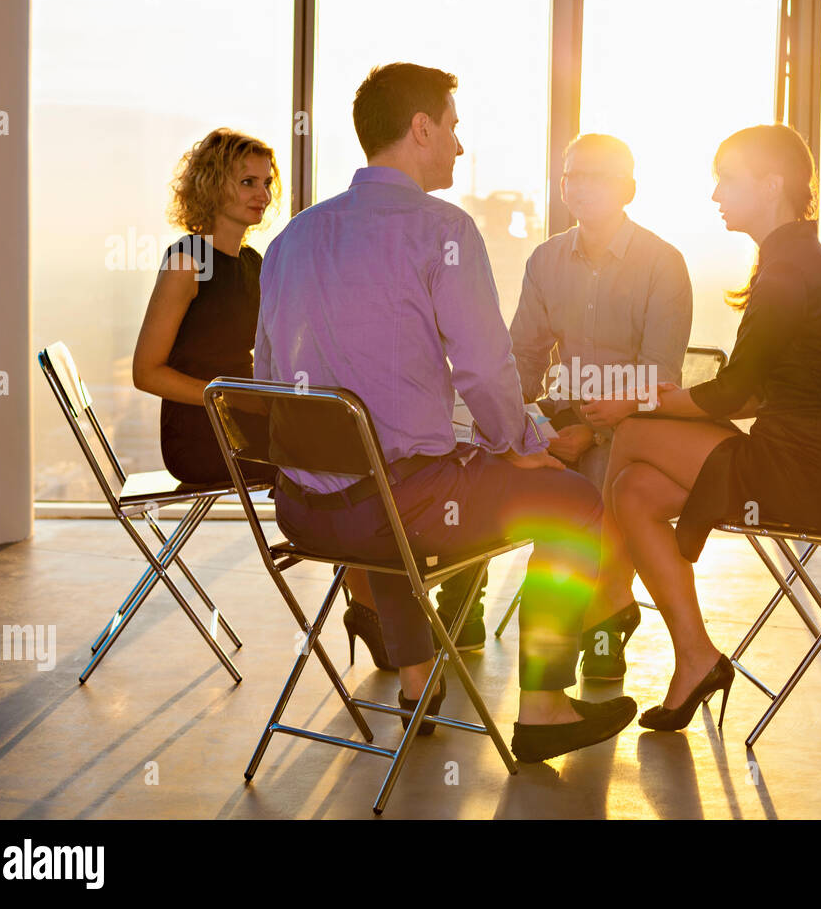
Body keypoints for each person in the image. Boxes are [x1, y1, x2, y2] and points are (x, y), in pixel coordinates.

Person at [254, 62, 636, 761]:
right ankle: (545, 708)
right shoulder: (442, 230)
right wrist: (520, 438)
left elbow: (265, 378)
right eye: (454, 128)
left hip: (301, 509)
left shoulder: (289, 239)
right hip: (395, 509)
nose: (460, 145)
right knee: (576, 501)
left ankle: (418, 679)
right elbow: (487, 372)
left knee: (392, 467)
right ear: (421, 129)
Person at [590, 123, 821, 731]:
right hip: (792, 458)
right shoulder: (792, 258)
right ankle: (696, 658)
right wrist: (661, 398)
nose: (715, 194)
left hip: (805, 473)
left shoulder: (792, 267)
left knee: (632, 434)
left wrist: (644, 404)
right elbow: (757, 388)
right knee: (632, 492)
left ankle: (604, 600)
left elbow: (737, 394)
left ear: (771, 185)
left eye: (728, 180)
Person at [508, 132, 692, 682]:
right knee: (493, 467)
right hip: (563, 422)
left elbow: (660, 376)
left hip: (633, 428)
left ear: (628, 188)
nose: (579, 186)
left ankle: (606, 613)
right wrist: (526, 425)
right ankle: (468, 607)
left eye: (595, 175)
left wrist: (590, 431)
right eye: (571, 175)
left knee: (602, 483)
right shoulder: (545, 260)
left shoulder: (664, 263)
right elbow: (524, 358)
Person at [133, 128, 280, 487]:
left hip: (243, 420)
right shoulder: (188, 261)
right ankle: (322, 539)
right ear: (212, 186)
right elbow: (146, 373)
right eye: (248, 182)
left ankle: (319, 538)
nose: (262, 195)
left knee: (330, 445)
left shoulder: (252, 262)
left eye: (266, 182)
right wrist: (233, 400)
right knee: (320, 456)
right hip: (200, 436)